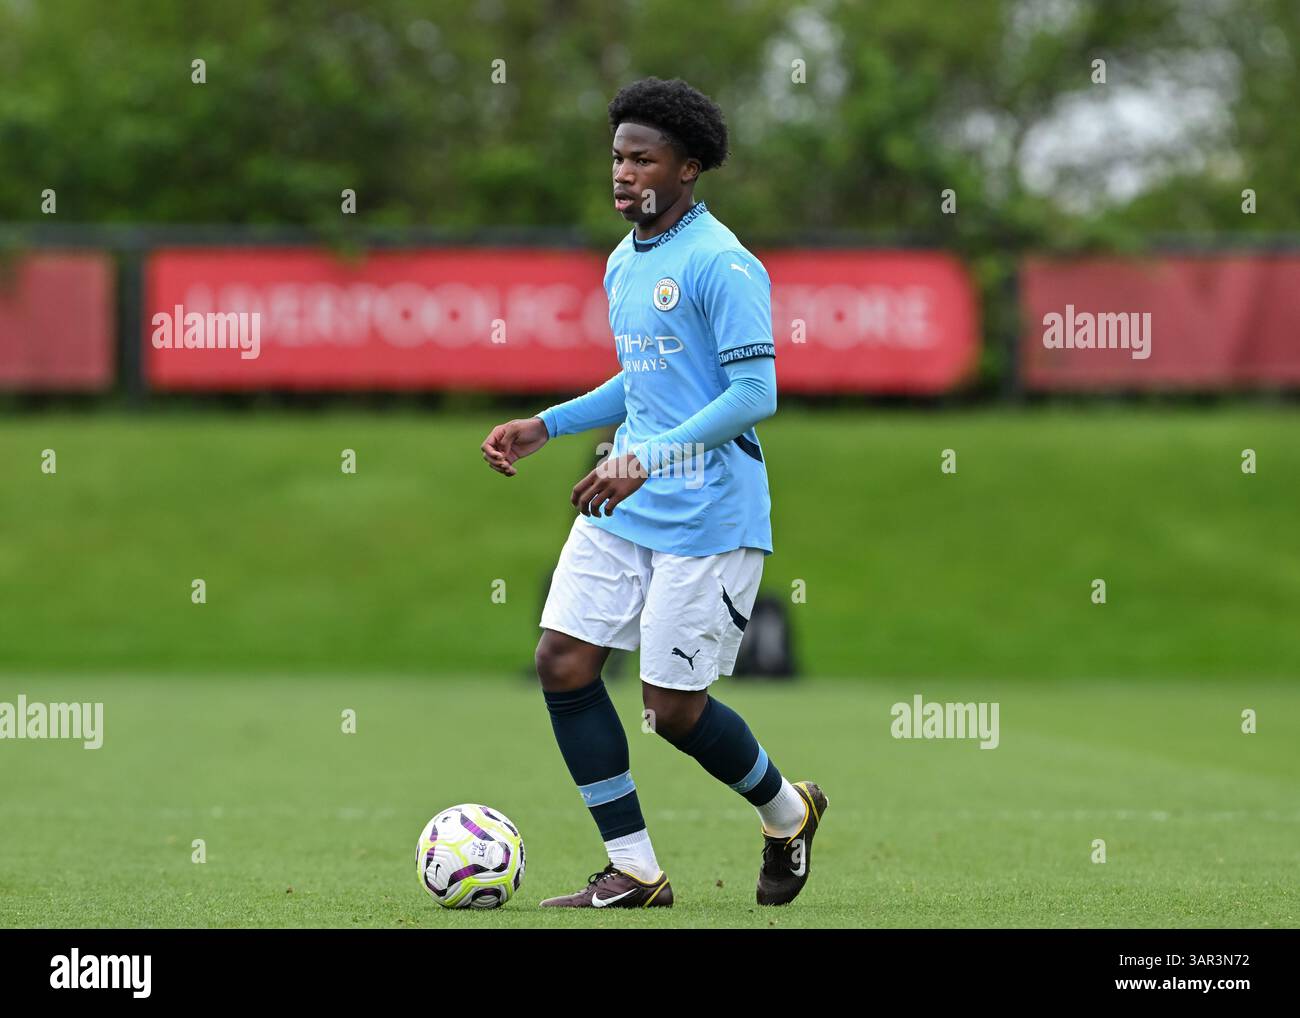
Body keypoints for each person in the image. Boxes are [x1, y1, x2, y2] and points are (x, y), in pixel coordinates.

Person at [480, 77, 826, 909]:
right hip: (627, 503)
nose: (623, 173)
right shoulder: (622, 261)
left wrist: (644, 459)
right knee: (562, 662)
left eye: (643, 159)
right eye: (617, 157)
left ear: (689, 168)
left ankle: (787, 813)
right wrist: (549, 425)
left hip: (708, 512)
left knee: (673, 711)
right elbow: (644, 382)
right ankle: (633, 870)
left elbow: (755, 393)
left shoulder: (723, 263)